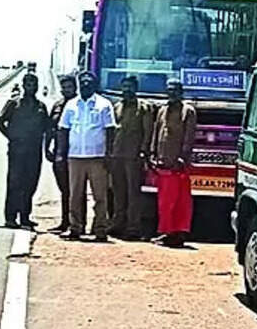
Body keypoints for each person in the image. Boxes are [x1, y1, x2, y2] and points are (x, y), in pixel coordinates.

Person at [56, 71, 117, 241]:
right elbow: (63, 129)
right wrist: (61, 153)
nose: (85, 85)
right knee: (75, 195)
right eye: (82, 83)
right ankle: (75, 228)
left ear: (94, 86)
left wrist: (109, 154)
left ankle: (100, 229)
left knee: (99, 196)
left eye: (89, 83)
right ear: (79, 85)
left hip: (97, 157)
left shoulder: (104, 105)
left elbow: (110, 130)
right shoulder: (71, 105)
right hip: (75, 156)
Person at [0, 73, 47, 229]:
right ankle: (10, 217)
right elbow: (0, 121)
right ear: (23, 86)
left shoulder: (40, 106)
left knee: (31, 183)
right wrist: (11, 137)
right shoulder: (14, 104)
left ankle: (25, 217)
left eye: (34, 84)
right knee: (15, 183)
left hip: (34, 151)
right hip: (17, 151)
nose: (31, 87)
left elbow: (47, 127)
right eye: (28, 84)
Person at [149, 78, 196, 247]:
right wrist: (153, 155)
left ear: (181, 92)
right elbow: (156, 133)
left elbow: (189, 137)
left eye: (175, 90)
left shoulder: (187, 111)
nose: (172, 93)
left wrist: (182, 158)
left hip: (178, 166)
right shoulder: (162, 110)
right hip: (163, 163)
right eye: (169, 90)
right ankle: (166, 232)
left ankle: (177, 234)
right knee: (164, 202)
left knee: (180, 201)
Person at [109, 76, 153, 240]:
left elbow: (148, 131)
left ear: (135, 88)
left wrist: (144, 151)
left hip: (133, 156)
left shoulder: (143, 107)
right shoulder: (117, 106)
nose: (126, 90)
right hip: (117, 155)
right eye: (124, 87)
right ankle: (117, 224)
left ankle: (133, 227)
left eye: (130, 87)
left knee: (133, 192)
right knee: (118, 192)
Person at [44, 74, 77, 232]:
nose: (66, 90)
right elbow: (50, 129)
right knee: (64, 189)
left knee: (76, 190)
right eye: (64, 87)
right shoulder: (57, 105)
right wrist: (47, 148)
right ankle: (65, 221)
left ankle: (77, 223)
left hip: (76, 153)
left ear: (75, 88)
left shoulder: (80, 104)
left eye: (69, 87)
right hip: (59, 153)